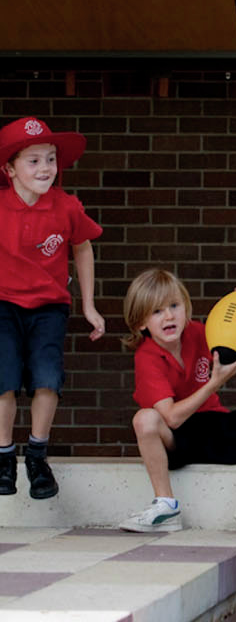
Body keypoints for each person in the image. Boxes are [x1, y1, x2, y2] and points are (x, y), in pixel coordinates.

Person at [119, 268, 236, 534]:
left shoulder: (199, 332)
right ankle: (166, 505)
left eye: (174, 306)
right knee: (144, 419)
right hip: (179, 440)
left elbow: (233, 333)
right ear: (141, 323)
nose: (169, 316)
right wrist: (214, 382)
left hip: (214, 424)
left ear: (185, 308)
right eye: (157, 311)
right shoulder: (146, 357)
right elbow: (171, 417)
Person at [0, 116, 104, 500]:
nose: (45, 168)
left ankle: (37, 456)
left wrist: (89, 305)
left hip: (49, 306)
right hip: (3, 304)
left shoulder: (66, 206)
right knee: (4, 380)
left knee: (47, 377)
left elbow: (83, 248)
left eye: (50, 159)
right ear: (10, 169)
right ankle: (4, 457)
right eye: (33, 161)